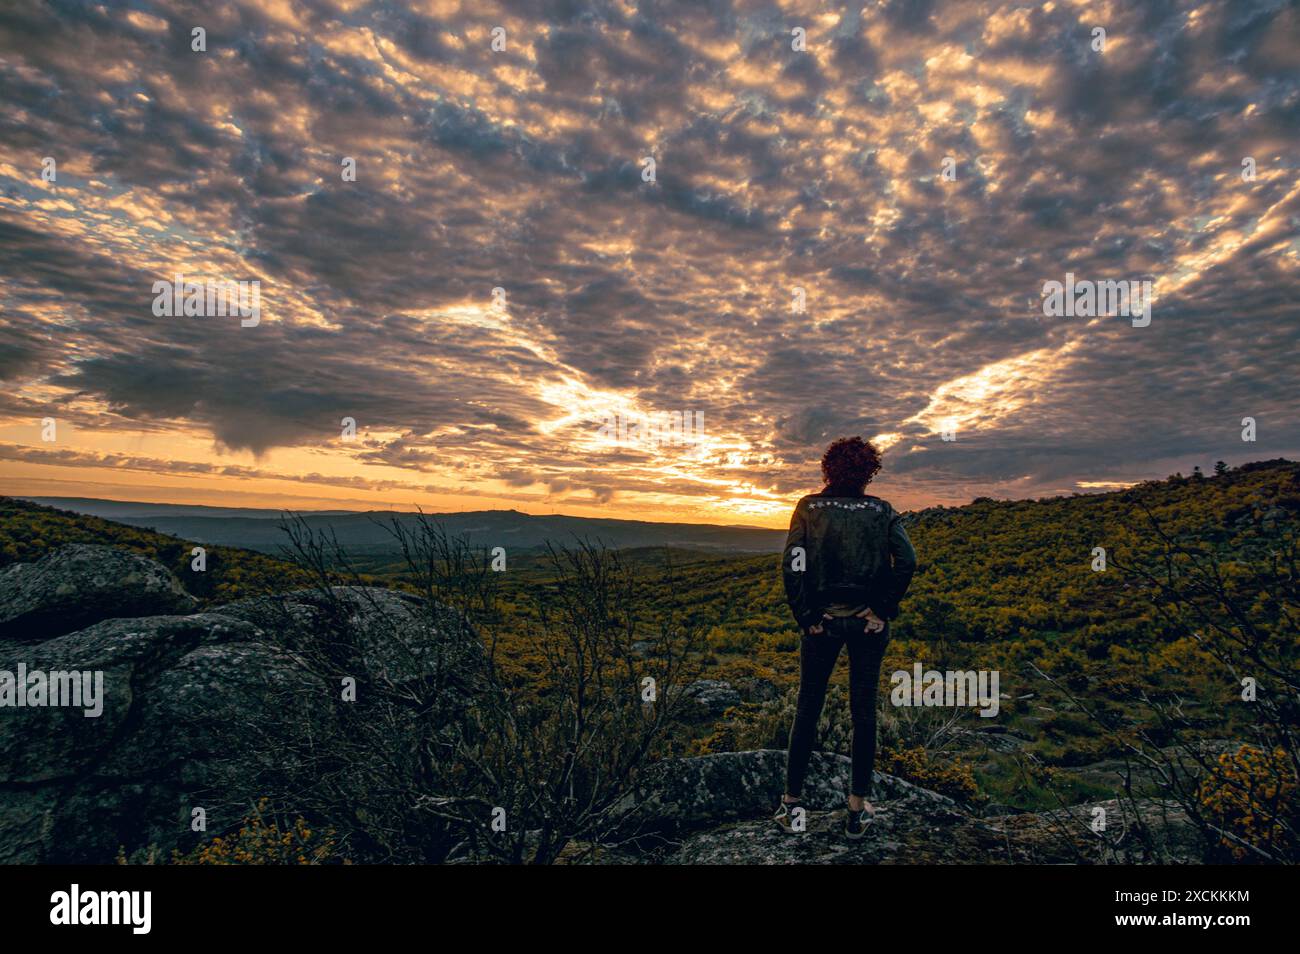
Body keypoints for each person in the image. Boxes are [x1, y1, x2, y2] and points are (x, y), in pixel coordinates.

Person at [774, 437, 917, 839]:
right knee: (863, 712)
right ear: (869, 472)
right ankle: (856, 809)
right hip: (868, 625)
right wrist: (882, 609)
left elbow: (793, 564)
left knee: (807, 707)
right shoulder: (882, 511)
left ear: (827, 469)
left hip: (822, 624)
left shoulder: (808, 507)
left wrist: (807, 616)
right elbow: (908, 561)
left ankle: (792, 805)